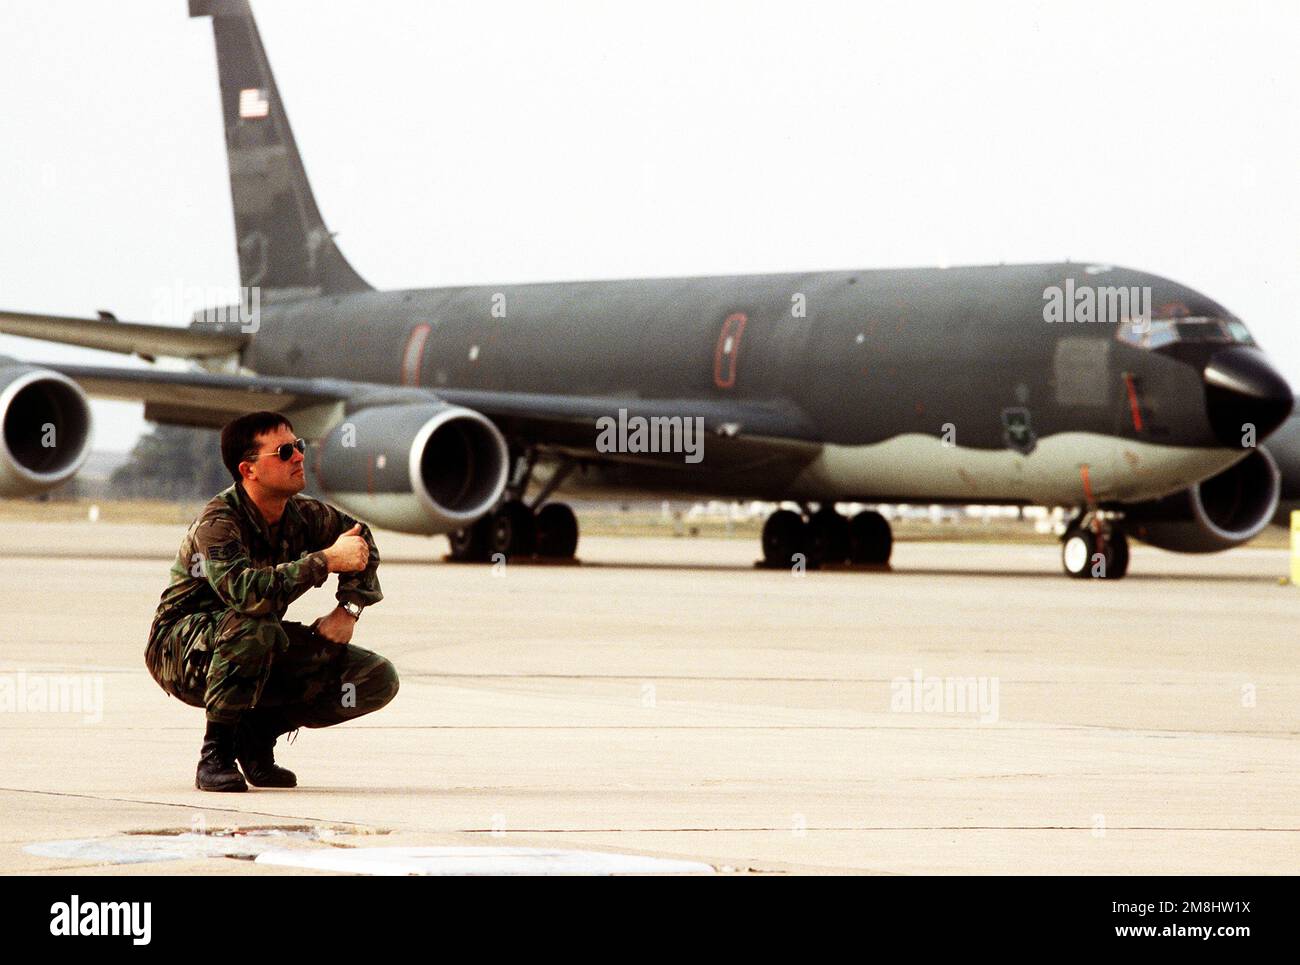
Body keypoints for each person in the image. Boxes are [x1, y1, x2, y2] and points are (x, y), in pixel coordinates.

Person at [144, 411, 399, 791]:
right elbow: (246, 594)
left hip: (254, 641)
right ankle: (216, 754)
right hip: (182, 651)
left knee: (375, 677)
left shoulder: (302, 515)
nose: (299, 457)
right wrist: (325, 560)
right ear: (249, 470)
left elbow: (361, 541)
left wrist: (348, 609)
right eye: (284, 452)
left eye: (298, 446)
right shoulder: (219, 523)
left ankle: (257, 737)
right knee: (254, 623)